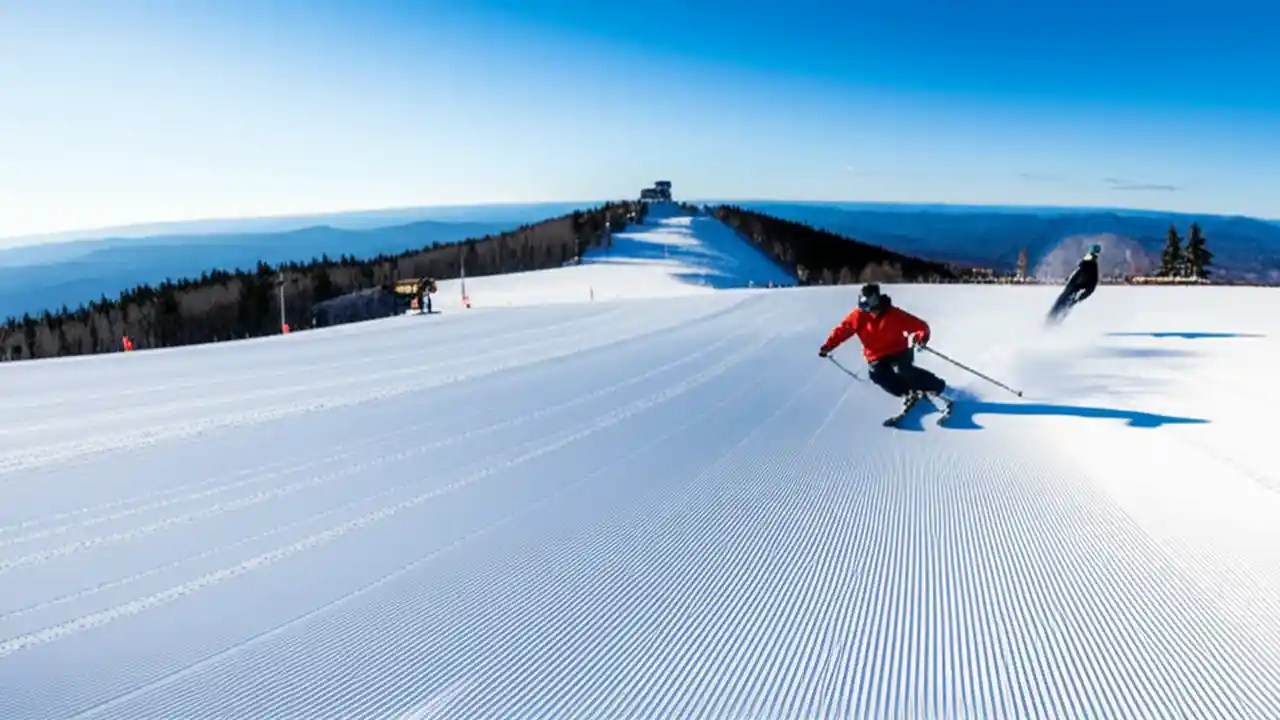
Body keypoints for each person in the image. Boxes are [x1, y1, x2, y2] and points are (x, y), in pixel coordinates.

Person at [819, 283, 951, 415]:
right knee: (877, 374)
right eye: (866, 305)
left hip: (898, 350)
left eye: (872, 304)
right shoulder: (858, 316)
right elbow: (842, 331)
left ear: (878, 300)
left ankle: (939, 387)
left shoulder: (894, 314)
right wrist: (829, 345)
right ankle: (909, 393)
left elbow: (921, 326)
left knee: (902, 370)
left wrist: (921, 338)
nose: (870, 311)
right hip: (875, 355)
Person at [1047, 244, 1100, 322]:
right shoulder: (1084, 263)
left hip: (1077, 290)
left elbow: (1092, 284)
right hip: (1072, 288)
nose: (1091, 256)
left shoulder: (1091, 266)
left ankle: (1054, 323)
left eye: (1093, 254)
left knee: (1065, 306)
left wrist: (1082, 295)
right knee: (1060, 305)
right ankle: (1050, 321)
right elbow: (1075, 274)